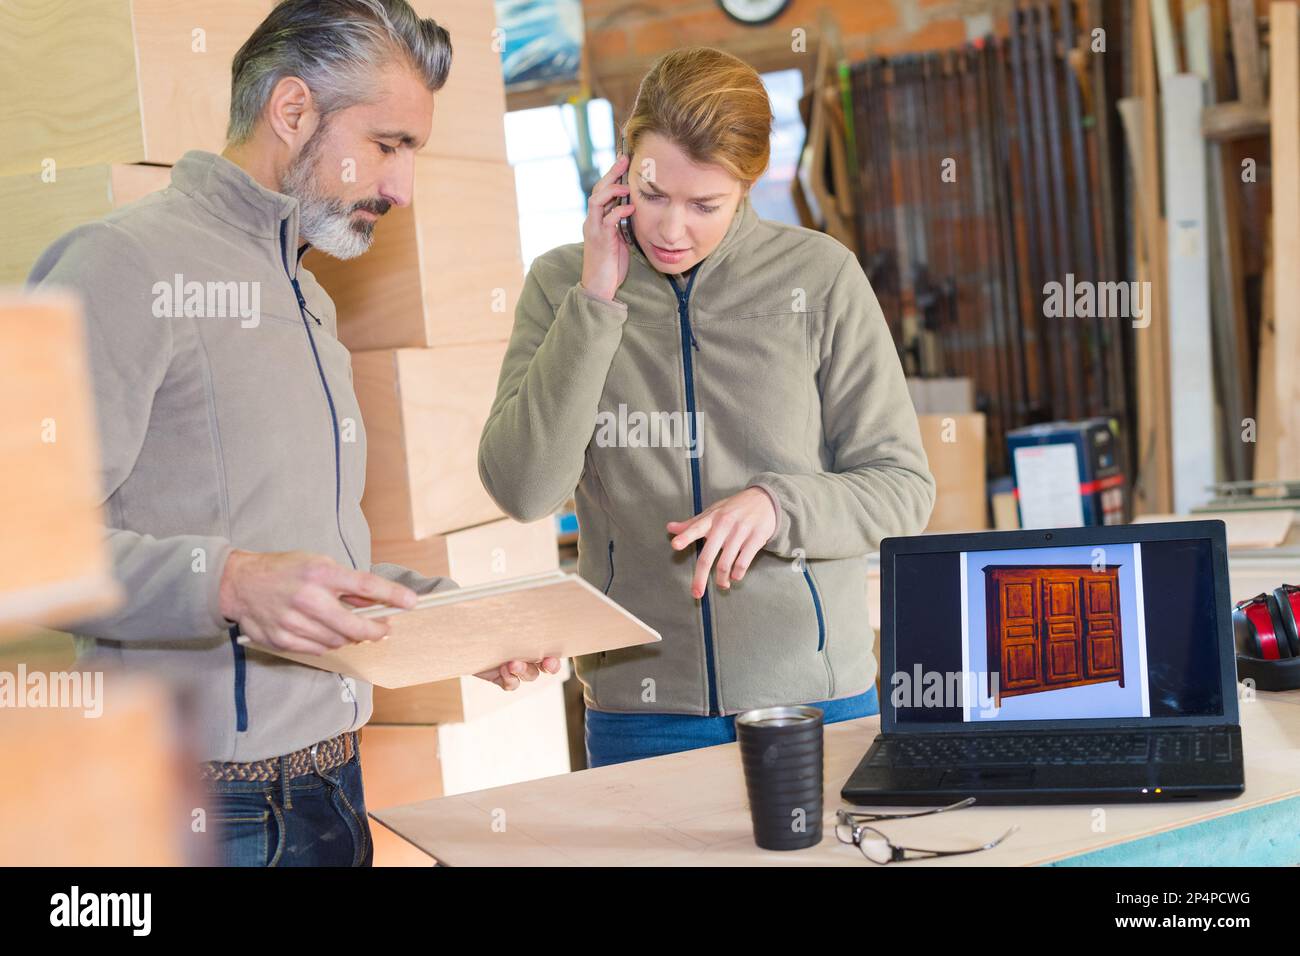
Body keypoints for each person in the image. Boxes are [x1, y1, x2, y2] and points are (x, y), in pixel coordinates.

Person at [28, 0, 557, 866]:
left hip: (332, 794)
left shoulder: (307, 294)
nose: (401, 188)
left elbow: (300, 564)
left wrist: (458, 621)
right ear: (293, 110)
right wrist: (226, 583)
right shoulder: (122, 265)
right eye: (389, 145)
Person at [479, 47, 936, 768]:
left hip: (817, 703)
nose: (670, 230)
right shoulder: (562, 283)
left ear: (748, 185)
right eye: (653, 193)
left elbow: (903, 490)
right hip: (641, 714)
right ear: (624, 163)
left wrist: (779, 507)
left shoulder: (819, 278)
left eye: (705, 206)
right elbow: (523, 488)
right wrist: (595, 302)